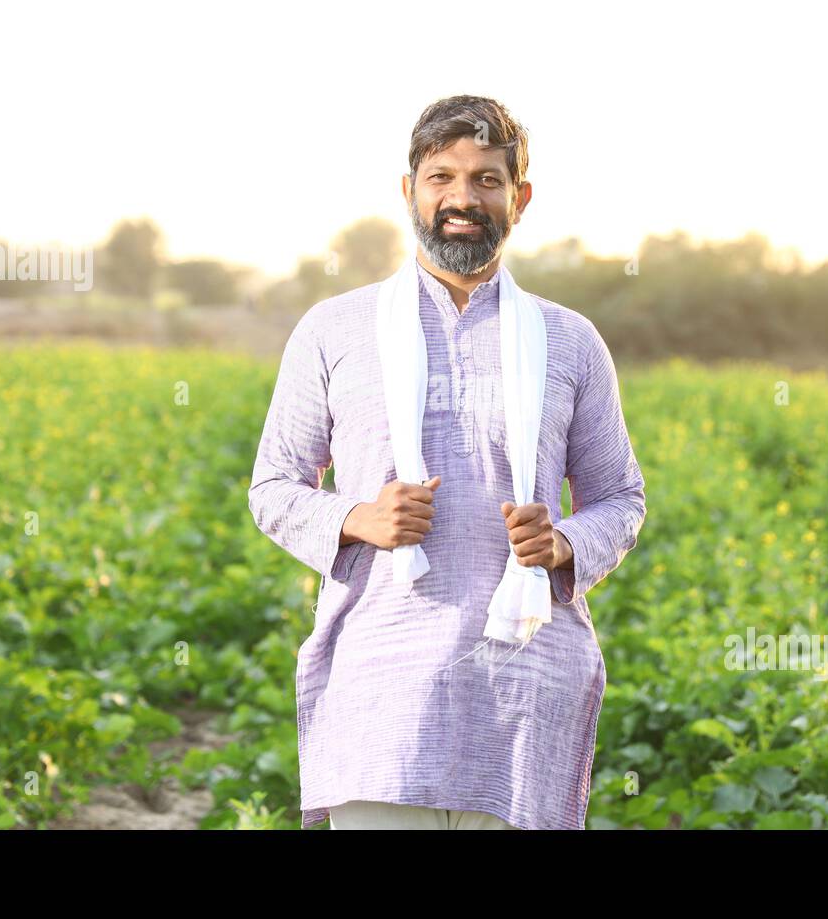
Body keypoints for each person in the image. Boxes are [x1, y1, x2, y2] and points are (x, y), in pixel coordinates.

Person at [248, 94, 646, 829]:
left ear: (518, 199)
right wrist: (357, 517)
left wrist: (563, 541)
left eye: (487, 180)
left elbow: (621, 496)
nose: (463, 199)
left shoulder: (571, 340)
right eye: (442, 177)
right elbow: (273, 486)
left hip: (525, 685)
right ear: (410, 192)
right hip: (382, 684)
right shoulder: (334, 329)